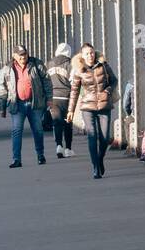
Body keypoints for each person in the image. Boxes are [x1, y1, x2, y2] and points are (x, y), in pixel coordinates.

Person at [67, 43, 118, 179]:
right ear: (82, 56)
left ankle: (100, 159)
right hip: (87, 106)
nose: (90, 55)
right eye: (87, 54)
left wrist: (108, 90)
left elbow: (114, 80)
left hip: (104, 105)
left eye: (91, 53)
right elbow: (74, 91)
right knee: (92, 135)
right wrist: (70, 110)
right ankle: (95, 167)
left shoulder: (104, 66)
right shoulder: (79, 70)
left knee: (105, 138)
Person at [0, 44, 51, 168]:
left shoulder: (36, 64)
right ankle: (16, 159)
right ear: (14, 56)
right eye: (20, 55)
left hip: (35, 104)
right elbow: (3, 88)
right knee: (17, 131)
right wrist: (2, 107)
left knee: (38, 130)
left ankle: (40, 155)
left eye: (25, 54)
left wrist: (49, 99)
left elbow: (47, 81)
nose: (23, 57)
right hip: (17, 105)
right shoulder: (8, 68)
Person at [46, 43, 74, 158]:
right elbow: (73, 81)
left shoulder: (49, 64)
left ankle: (58, 145)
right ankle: (68, 148)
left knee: (56, 123)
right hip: (66, 97)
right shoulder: (70, 64)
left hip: (53, 97)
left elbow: (46, 81)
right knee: (68, 122)